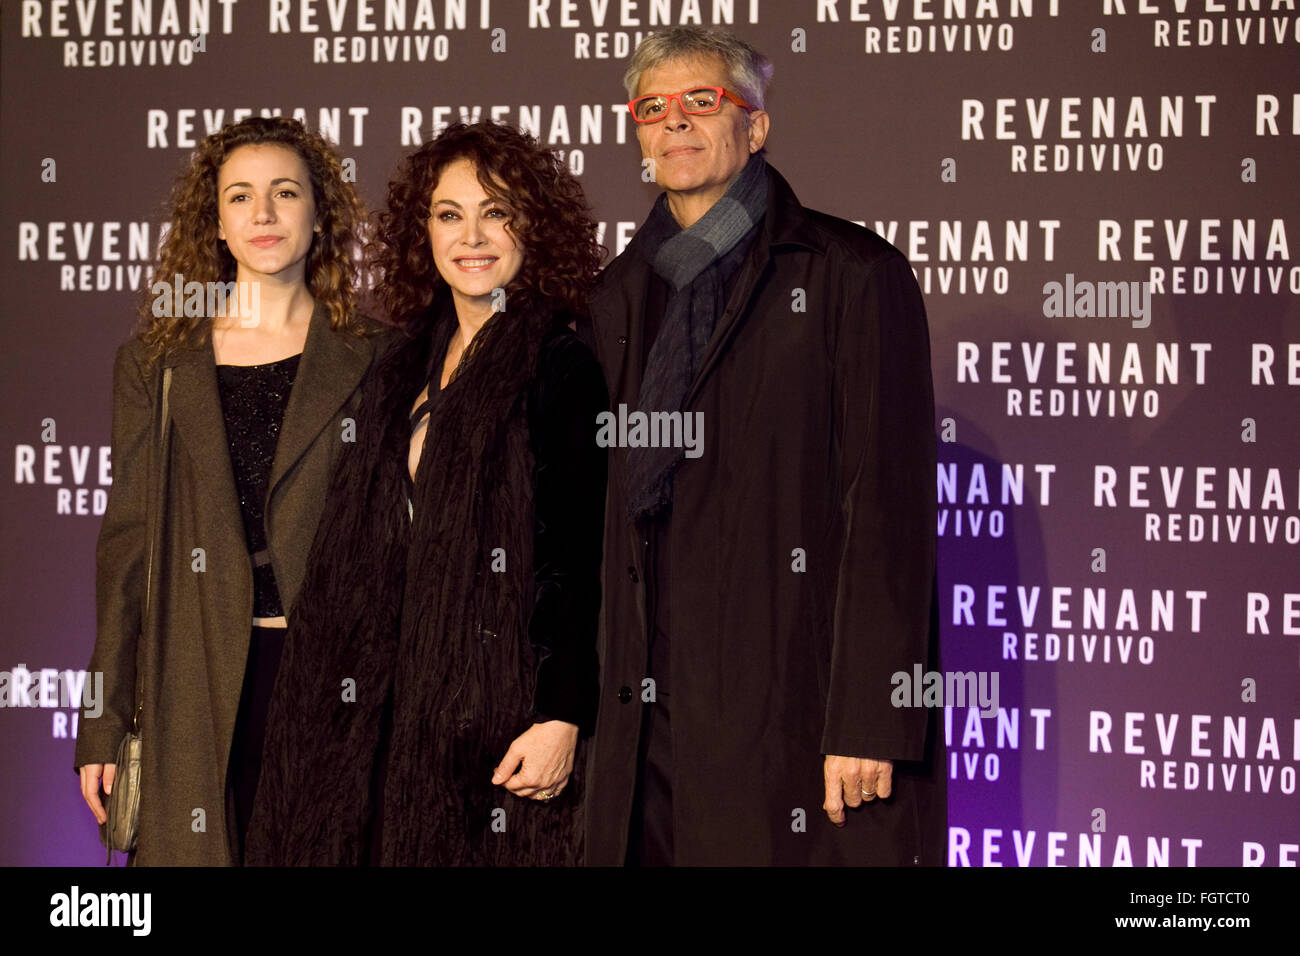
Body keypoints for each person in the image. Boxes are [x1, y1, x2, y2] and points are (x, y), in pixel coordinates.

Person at [580, 27, 947, 865]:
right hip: (647, 719)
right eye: (653, 109)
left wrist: (870, 716)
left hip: (795, 701)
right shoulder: (614, 298)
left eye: (701, 101)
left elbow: (885, 507)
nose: (675, 123)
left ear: (756, 125)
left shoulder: (851, 273)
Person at [245, 122, 608, 866]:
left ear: (532, 227)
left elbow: (579, 560)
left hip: (498, 727)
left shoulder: (563, 365)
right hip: (374, 719)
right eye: (449, 214)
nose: (472, 235)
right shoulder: (399, 360)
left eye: (497, 211)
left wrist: (562, 716)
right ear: (424, 230)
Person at [74, 116, 381, 865]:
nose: (264, 215)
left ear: (320, 213)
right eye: (241, 196)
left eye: (286, 193)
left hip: (337, 686)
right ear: (215, 220)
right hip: (195, 687)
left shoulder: (379, 356)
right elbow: (128, 552)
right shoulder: (157, 365)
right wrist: (102, 725)